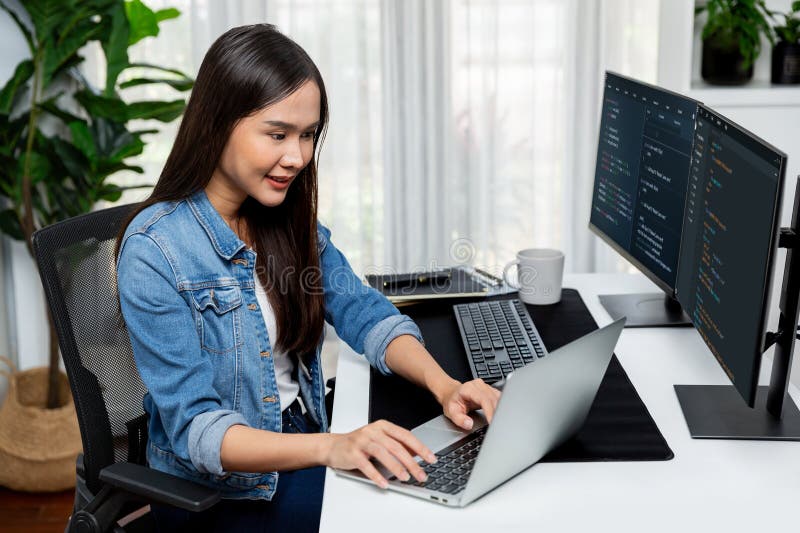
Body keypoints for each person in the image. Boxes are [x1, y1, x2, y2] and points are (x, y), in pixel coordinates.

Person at [115, 24, 500, 532]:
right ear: (218, 123)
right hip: (223, 494)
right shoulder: (155, 250)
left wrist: (445, 385)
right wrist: (333, 447)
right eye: (277, 134)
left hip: (299, 434)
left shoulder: (281, 215)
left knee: (450, 472)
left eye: (308, 134)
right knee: (408, 510)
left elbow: (363, 312)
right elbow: (200, 431)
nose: (297, 157)